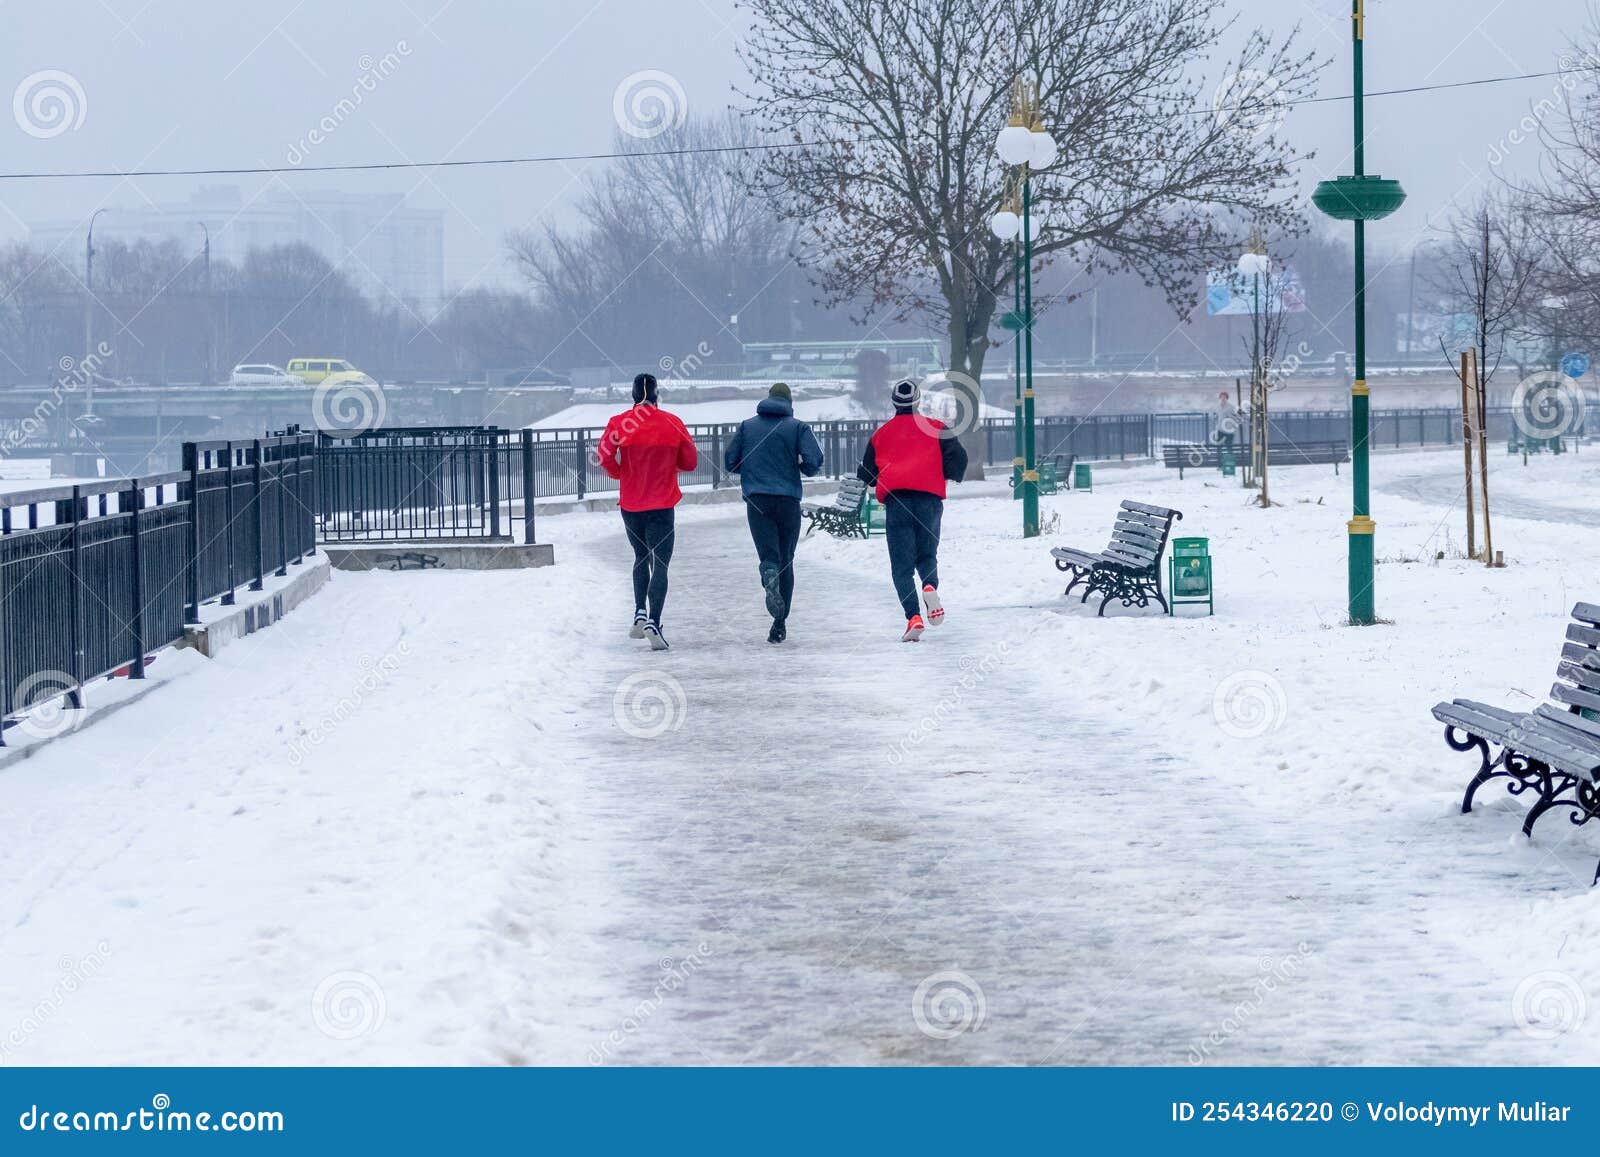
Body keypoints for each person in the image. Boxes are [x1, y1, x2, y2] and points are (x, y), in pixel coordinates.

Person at [856, 378, 968, 642]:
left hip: (898, 504)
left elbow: (869, 474)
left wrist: (873, 475)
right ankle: (929, 585)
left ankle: (913, 617)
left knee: (901, 567)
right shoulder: (936, 427)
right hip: (929, 501)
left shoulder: (880, 434)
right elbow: (959, 458)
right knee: (927, 554)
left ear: (894, 402)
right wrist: (947, 472)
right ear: (917, 401)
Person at [596, 373, 698, 650]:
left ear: (632, 395)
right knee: (661, 564)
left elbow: (603, 454)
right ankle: (654, 620)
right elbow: (690, 462)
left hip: (631, 504)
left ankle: (639, 611)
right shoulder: (673, 423)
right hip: (662, 504)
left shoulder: (619, 423)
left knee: (641, 556)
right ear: (656, 395)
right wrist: (669, 465)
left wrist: (620, 473)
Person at [723, 382, 824, 644]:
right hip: (788, 500)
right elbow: (814, 462)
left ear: (768, 399)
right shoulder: (798, 427)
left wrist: (752, 466)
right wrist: (801, 466)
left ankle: (768, 571)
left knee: (769, 556)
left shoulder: (747, 426)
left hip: (757, 500)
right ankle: (779, 624)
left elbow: (730, 461)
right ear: (789, 402)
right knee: (787, 560)